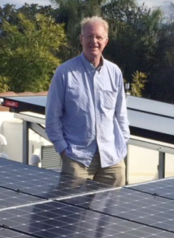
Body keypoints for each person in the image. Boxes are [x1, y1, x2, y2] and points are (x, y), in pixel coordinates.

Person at [45, 16, 129, 187]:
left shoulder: (114, 73)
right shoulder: (65, 72)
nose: (94, 41)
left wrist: (122, 145)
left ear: (106, 41)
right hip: (77, 158)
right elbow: (52, 117)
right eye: (89, 36)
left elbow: (120, 114)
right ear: (81, 39)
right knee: (73, 211)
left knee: (111, 211)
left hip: (111, 159)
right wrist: (63, 151)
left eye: (98, 37)